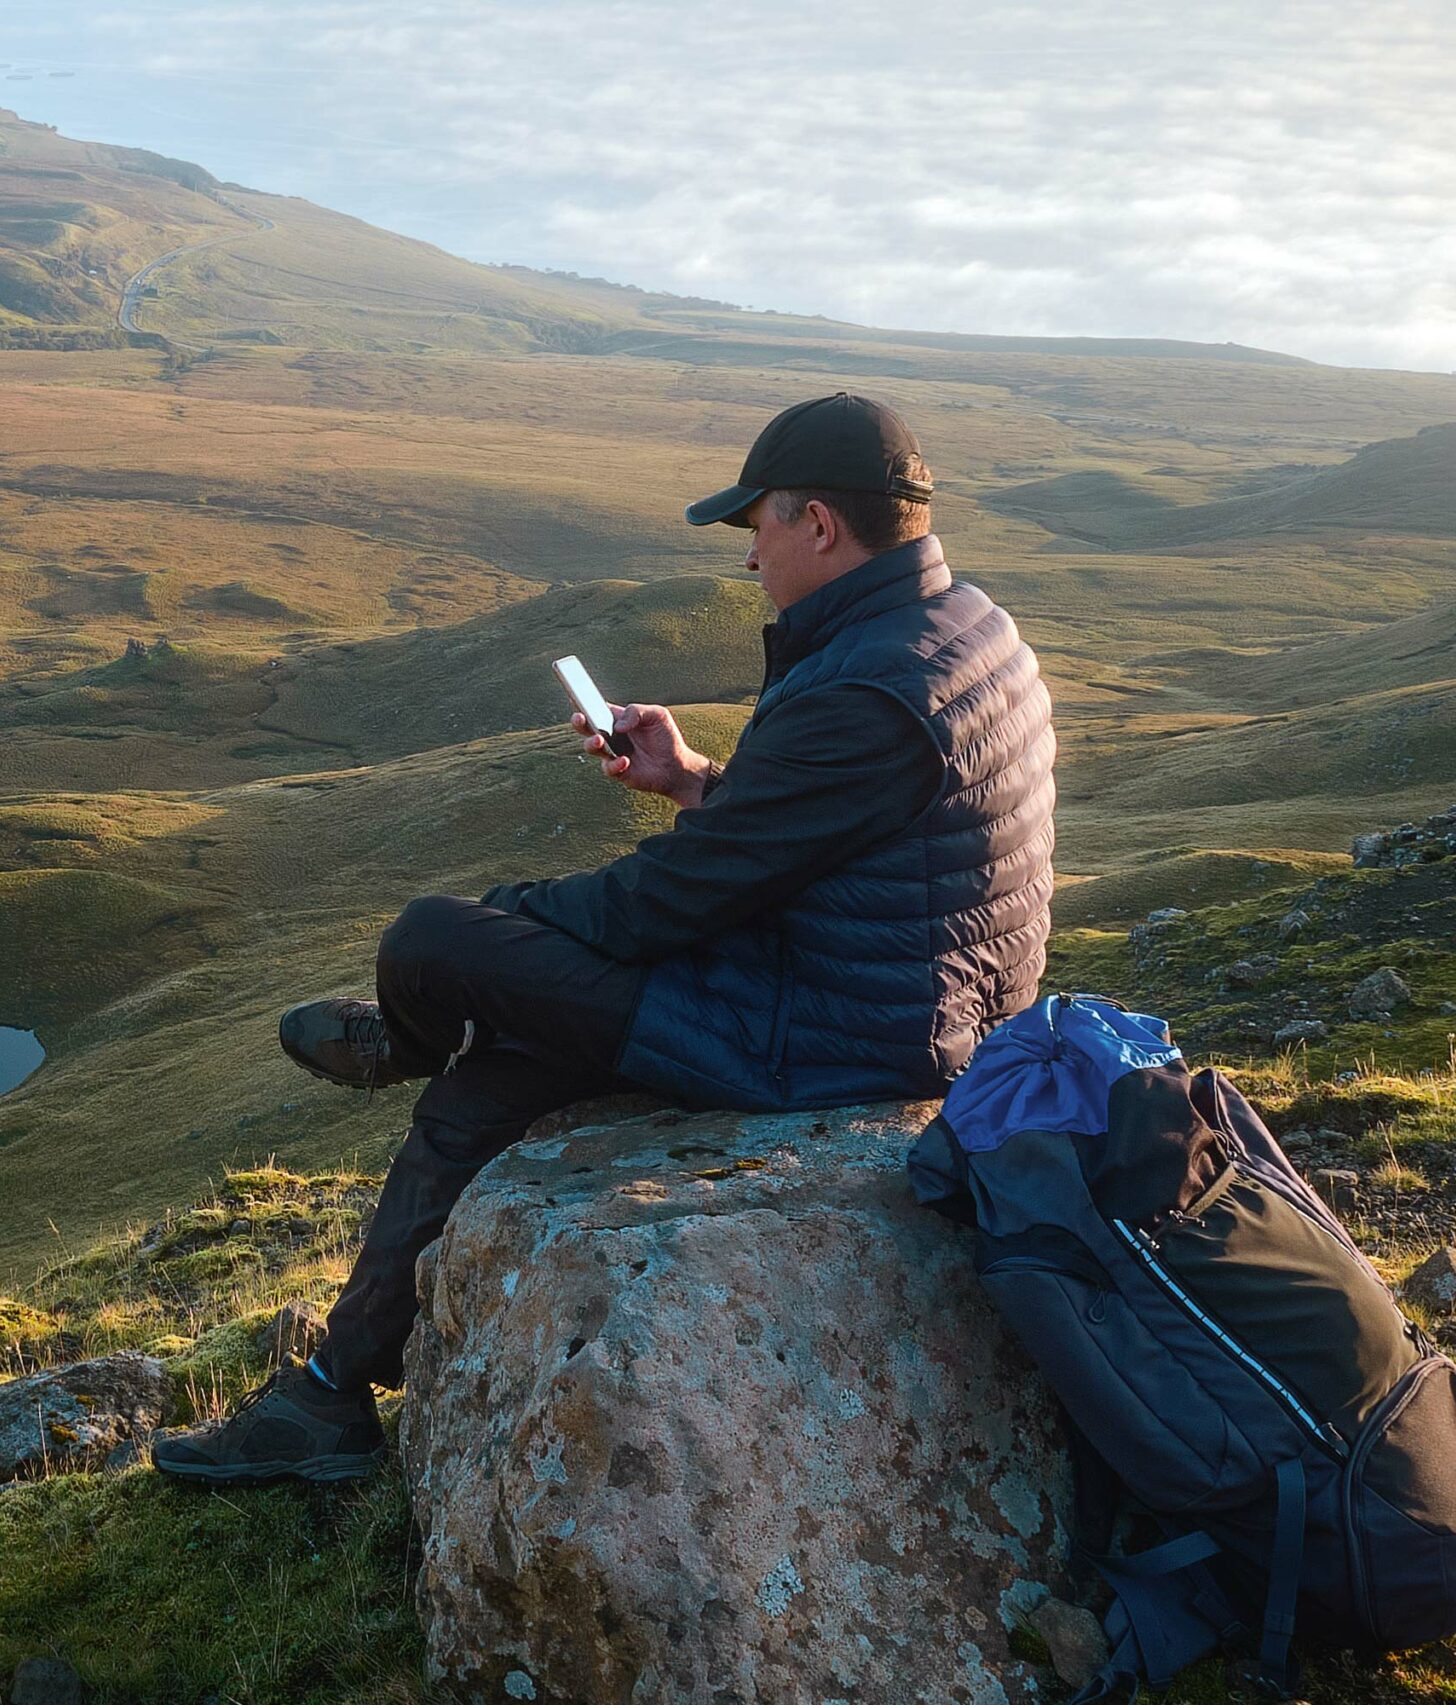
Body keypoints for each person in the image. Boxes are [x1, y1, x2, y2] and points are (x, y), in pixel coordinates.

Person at [153, 392, 1057, 1485]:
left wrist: (506, 921)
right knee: (497, 1075)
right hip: (870, 986)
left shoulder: (870, 685)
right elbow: (838, 837)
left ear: (818, 524)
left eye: (755, 526)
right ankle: (330, 1402)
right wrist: (692, 781)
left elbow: (658, 909)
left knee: (434, 938)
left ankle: (406, 1037)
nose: (748, 557)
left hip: (831, 1032)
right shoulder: (959, 629)